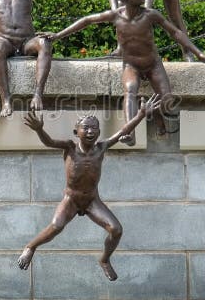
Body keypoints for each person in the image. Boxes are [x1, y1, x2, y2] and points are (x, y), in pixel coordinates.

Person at [42, 0, 205, 146]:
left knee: (168, 102)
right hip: (131, 65)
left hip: (153, 64)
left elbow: (175, 32)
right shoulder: (115, 15)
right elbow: (87, 20)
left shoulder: (150, 15)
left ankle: (156, 114)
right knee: (130, 90)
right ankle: (130, 133)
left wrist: (198, 54)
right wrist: (57, 35)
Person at [17, 94, 162, 281]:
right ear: (76, 131)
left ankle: (105, 259)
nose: (90, 131)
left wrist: (141, 114)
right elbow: (49, 142)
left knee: (116, 230)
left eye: (94, 128)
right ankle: (30, 247)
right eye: (86, 128)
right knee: (56, 226)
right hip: (72, 199)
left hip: (92, 200)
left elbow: (123, 130)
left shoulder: (101, 147)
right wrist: (39, 130)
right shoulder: (69, 147)